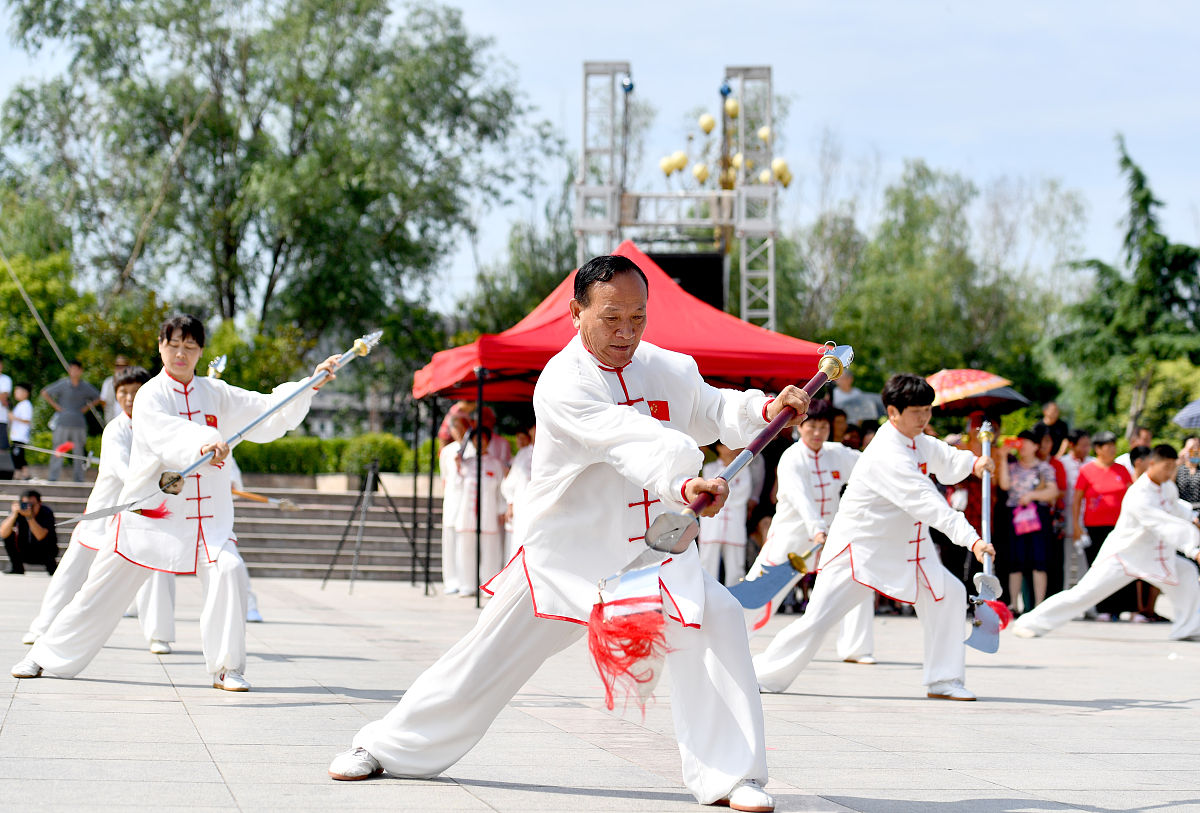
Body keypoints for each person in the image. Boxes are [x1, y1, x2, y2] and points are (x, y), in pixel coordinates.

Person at [327, 254, 811, 813]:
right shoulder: (562, 383)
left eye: (637, 316)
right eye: (611, 318)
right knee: (483, 658)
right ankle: (385, 746)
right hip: (567, 559)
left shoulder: (668, 367)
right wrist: (685, 480)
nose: (625, 332)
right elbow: (627, 438)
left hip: (653, 554)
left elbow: (712, 406)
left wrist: (766, 407)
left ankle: (732, 777)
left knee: (718, 619)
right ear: (576, 312)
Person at [12, 314, 339, 691]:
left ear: (200, 351)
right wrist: (204, 440)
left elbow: (264, 410)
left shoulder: (216, 392)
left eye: (190, 346)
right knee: (98, 591)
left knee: (229, 570)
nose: (181, 354)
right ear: (160, 345)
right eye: (174, 345)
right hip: (152, 515)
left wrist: (308, 386)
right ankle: (45, 656)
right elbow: (166, 435)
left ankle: (226, 669)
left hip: (207, 520)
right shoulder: (150, 394)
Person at [752, 373, 996, 702]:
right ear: (893, 412)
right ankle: (763, 674)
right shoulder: (887, 453)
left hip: (910, 546)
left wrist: (973, 463)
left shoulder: (917, 439)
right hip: (860, 549)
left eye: (928, 410)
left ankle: (943, 679)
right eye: (916, 412)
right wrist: (972, 540)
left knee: (949, 594)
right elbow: (928, 502)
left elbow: (944, 458)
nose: (924, 418)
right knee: (818, 619)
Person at [1013, 444, 1200, 641]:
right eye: (1166, 467)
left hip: (1154, 556)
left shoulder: (1167, 487)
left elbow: (1175, 507)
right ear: (1151, 464)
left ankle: (1187, 628)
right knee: (1084, 594)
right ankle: (1029, 623)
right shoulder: (1139, 494)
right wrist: (1193, 549)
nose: (1169, 472)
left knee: (1186, 573)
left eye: (1173, 467)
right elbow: (1164, 525)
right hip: (1125, 556)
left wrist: (1192, 517)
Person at [21, 367, 151, 645]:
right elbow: (122, 469)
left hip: (135, 517)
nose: (129, 398)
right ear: (116, 396)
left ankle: (157, 635)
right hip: (101, 515)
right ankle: (42, 628)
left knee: (154, 573)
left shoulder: (155, 428)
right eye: (123, 392)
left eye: (136, 391)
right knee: (70, 573)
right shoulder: (116, 429)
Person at [743, 398, 874, 664]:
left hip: (831, 537)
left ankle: (856, 647)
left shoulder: (838, 453)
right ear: (800, 427)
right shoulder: (791, 457)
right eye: (812, 426)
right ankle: (734, 638)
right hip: (793, 538)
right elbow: (802, 499)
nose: (817, 433)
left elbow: (872, 468)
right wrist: (817, 530)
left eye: (823, 427)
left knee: (859, 577)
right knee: (761, 588)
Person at [1072, 430, 1134, 620]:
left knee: (1122, 566)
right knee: (1099, 567)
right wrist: (1076, 525)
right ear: (1098, 449)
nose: (1113, 449)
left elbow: (1132, 496)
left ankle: (1122, 608)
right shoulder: (1087, 470)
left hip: (1120, 527)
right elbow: (1077, 500)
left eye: (1114, 445)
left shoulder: (1122, 469)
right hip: (1095, 527)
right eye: (1109, 446)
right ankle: (1103, 609)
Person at [1004, 429, 1061, 611]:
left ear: (1035, 446)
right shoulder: (1012, 466)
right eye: (1021, 442)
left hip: (1037, 516)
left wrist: (1032, 495)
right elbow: (1004, 485)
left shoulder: (1044, 468)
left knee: (1039, 561)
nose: (1023, 446)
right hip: (1015, 517)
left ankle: (1039, 604)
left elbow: (1053, 491)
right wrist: (1003, 458)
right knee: (1016, 561)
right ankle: (1014, 603)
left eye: (1027, 442)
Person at [454, 426, 505, 598]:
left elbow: (501, 490)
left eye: (483, 438)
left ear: (488, 441)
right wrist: (457, 465)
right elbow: (455, 485)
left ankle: (488, 585)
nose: (480, 442)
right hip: (467, 514)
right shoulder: (465, 463)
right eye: (476, 439)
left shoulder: (496, 464)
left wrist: (501, 511)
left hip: (488, 514)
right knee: (465, 549)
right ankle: (466, 584)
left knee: (490, 549)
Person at [698, 442, 753, 586]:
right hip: (713, 524)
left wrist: (722, 497)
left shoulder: (744, 469)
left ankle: (735, 600)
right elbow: (710, 494)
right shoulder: (710, 468)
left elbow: (743, 495)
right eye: (728, 445)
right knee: (707, 564)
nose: (733, 449)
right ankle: (707, 598)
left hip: (734, 522)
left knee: (736, 565)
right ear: (719, 448)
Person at [40, 360, 102, 482]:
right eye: (71, 369)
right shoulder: (63, 384)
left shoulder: (85, 386)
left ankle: (79, 479)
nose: (73, 371)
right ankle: (53, 478)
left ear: (80, 371)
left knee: (78, 452)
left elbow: (99, 397)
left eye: (76, 369)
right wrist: (56, 407)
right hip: (62, 422)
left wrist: (86, 408)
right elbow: (45, 392)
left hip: (79, 423)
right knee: (59, 450)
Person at [437, 415, 467, 595]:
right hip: (452, 499)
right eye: (453, 428)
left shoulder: (472, 448)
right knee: (450, 540)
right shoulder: (448, 451)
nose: (456, 431)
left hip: (467, 500)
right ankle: (451, 580)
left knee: (465, 543)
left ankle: (466, 579)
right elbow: (445, 478)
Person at [499, 418, 535, 564]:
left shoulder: (551, 452)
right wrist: (510, 503)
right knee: (519, 542)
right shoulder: (523, 454)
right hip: (522, 504)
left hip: (540, 505)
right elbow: (511, 483)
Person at [2, 489, 58, 575]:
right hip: (23, 551)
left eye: (32, 505)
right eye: (26, 504)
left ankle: (52, 568)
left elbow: (41, 536)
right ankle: (17, 567)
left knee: (47, 539)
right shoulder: (18, 512)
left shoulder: (46, 512)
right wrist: (13, 514)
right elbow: (3, 533)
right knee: (9, 535)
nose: (29, 507)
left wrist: (30, 517)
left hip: (44, 553)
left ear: (40, 504)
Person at [97, 354, 131, 425]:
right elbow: (103, 401)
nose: (120, 368)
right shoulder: (108, 382)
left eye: (123, 366)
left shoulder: (132, 382)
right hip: (111, 420)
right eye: (118, 366)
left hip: (129, 421)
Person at [9, 384, 33, 480]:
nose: (16, 393)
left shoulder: (26, 405)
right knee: (16, 457)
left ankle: (24, 474)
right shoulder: (20, 405)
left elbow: (27, 420)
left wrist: (13, 417)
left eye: (18, 391)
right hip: (16, 436)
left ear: (25, 393)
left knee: (19, 457)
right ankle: (19, 475)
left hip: (20, 436)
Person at [1177, 436, 1200, 508]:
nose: (1195, 450)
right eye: (1191, 448)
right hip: (1182, 509)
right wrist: (1179, 460)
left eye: (1197, 447)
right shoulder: (1178, 470)